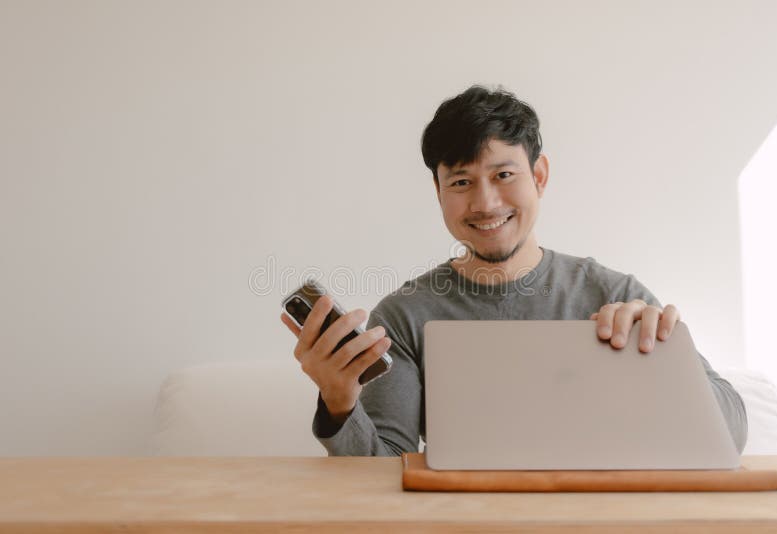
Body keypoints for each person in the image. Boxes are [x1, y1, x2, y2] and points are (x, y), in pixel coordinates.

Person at [280, 84, 748, 456]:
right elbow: (383, 473)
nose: (485, 203)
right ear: (438, 192)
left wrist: (666, 366)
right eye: (461, 182)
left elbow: (732, 432)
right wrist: (339, 404)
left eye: (504, 175)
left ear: (539, 176)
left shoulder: (616, 294)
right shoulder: (405, 316)